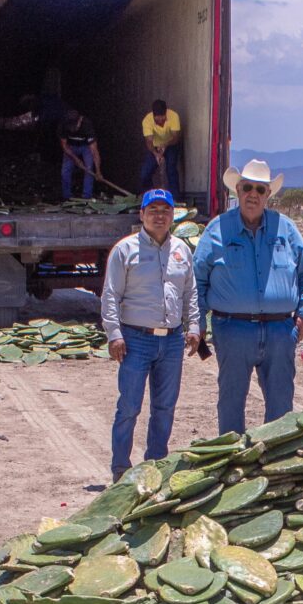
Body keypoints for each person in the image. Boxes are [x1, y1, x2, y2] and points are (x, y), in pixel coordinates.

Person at [192, 159, 303, 434]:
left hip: (280, 330)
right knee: (231, 400)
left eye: (260, 189)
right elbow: (197, 280)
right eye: (247, 187)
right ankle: (231, 461)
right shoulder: (216, 229)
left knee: (281, 403)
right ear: (237, 190)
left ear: (268, 195)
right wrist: (198, 322)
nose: (253, 194)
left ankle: (273, 465)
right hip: (232, 329)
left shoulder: (286, 229)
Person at [101, 189, 202, 479]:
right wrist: (114, 334)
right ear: (142, 214)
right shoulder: (125, 250)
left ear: (173, 215)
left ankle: (156, 464)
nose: (159, 215)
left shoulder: (182, 250)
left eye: (165, 210)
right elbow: (111, 295)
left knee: (165, 407)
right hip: (135, 340)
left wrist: (193, 327)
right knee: (129, 406)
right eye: (153, 210)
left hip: (171, 341)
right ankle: (120, 469)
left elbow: (190, 293)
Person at [140, 99, 182, 195]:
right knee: (145, 173)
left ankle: (175, 199)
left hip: (171, 144)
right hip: (154, 147)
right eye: (157, 119)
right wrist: (156, 154)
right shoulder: (147, 120)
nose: (160, 121)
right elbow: (149, 141)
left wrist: (165, 145)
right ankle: (150, 197)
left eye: (162, 118)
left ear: (166, 113)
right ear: (153, 115)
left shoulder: (174, 116)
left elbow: (176, 137)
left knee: (171, 170)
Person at [59, 108, 101, 200]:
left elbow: (94, 150)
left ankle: (87, 197)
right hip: (70, 147)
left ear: (80, 120)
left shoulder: (87, 125)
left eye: (74, 126)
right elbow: (64, 146)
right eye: (70, 126)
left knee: (89, 169)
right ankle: (67, 197)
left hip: (86, 147)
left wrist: (98, 171)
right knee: (65, 172)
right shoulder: (63, 124)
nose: (72, 129)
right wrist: (76, 159)